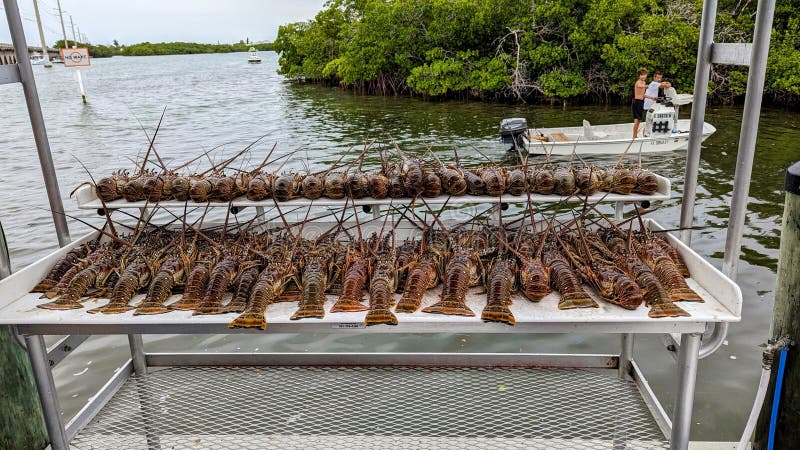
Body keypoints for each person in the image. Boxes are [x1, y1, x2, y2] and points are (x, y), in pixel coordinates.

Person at [632, 68, 648, 138]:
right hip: (636, 102)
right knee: (637, 120)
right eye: (642, 75)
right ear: (639, 76)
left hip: (641, 102)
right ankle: (634, 136)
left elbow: (643, 94)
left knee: (639, 120)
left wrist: (651, 97)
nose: (644, 76)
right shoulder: (638, 82)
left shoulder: (644, 83)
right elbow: (639, 86)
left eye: (645, 75)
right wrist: (647, 86)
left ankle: (635, 134)